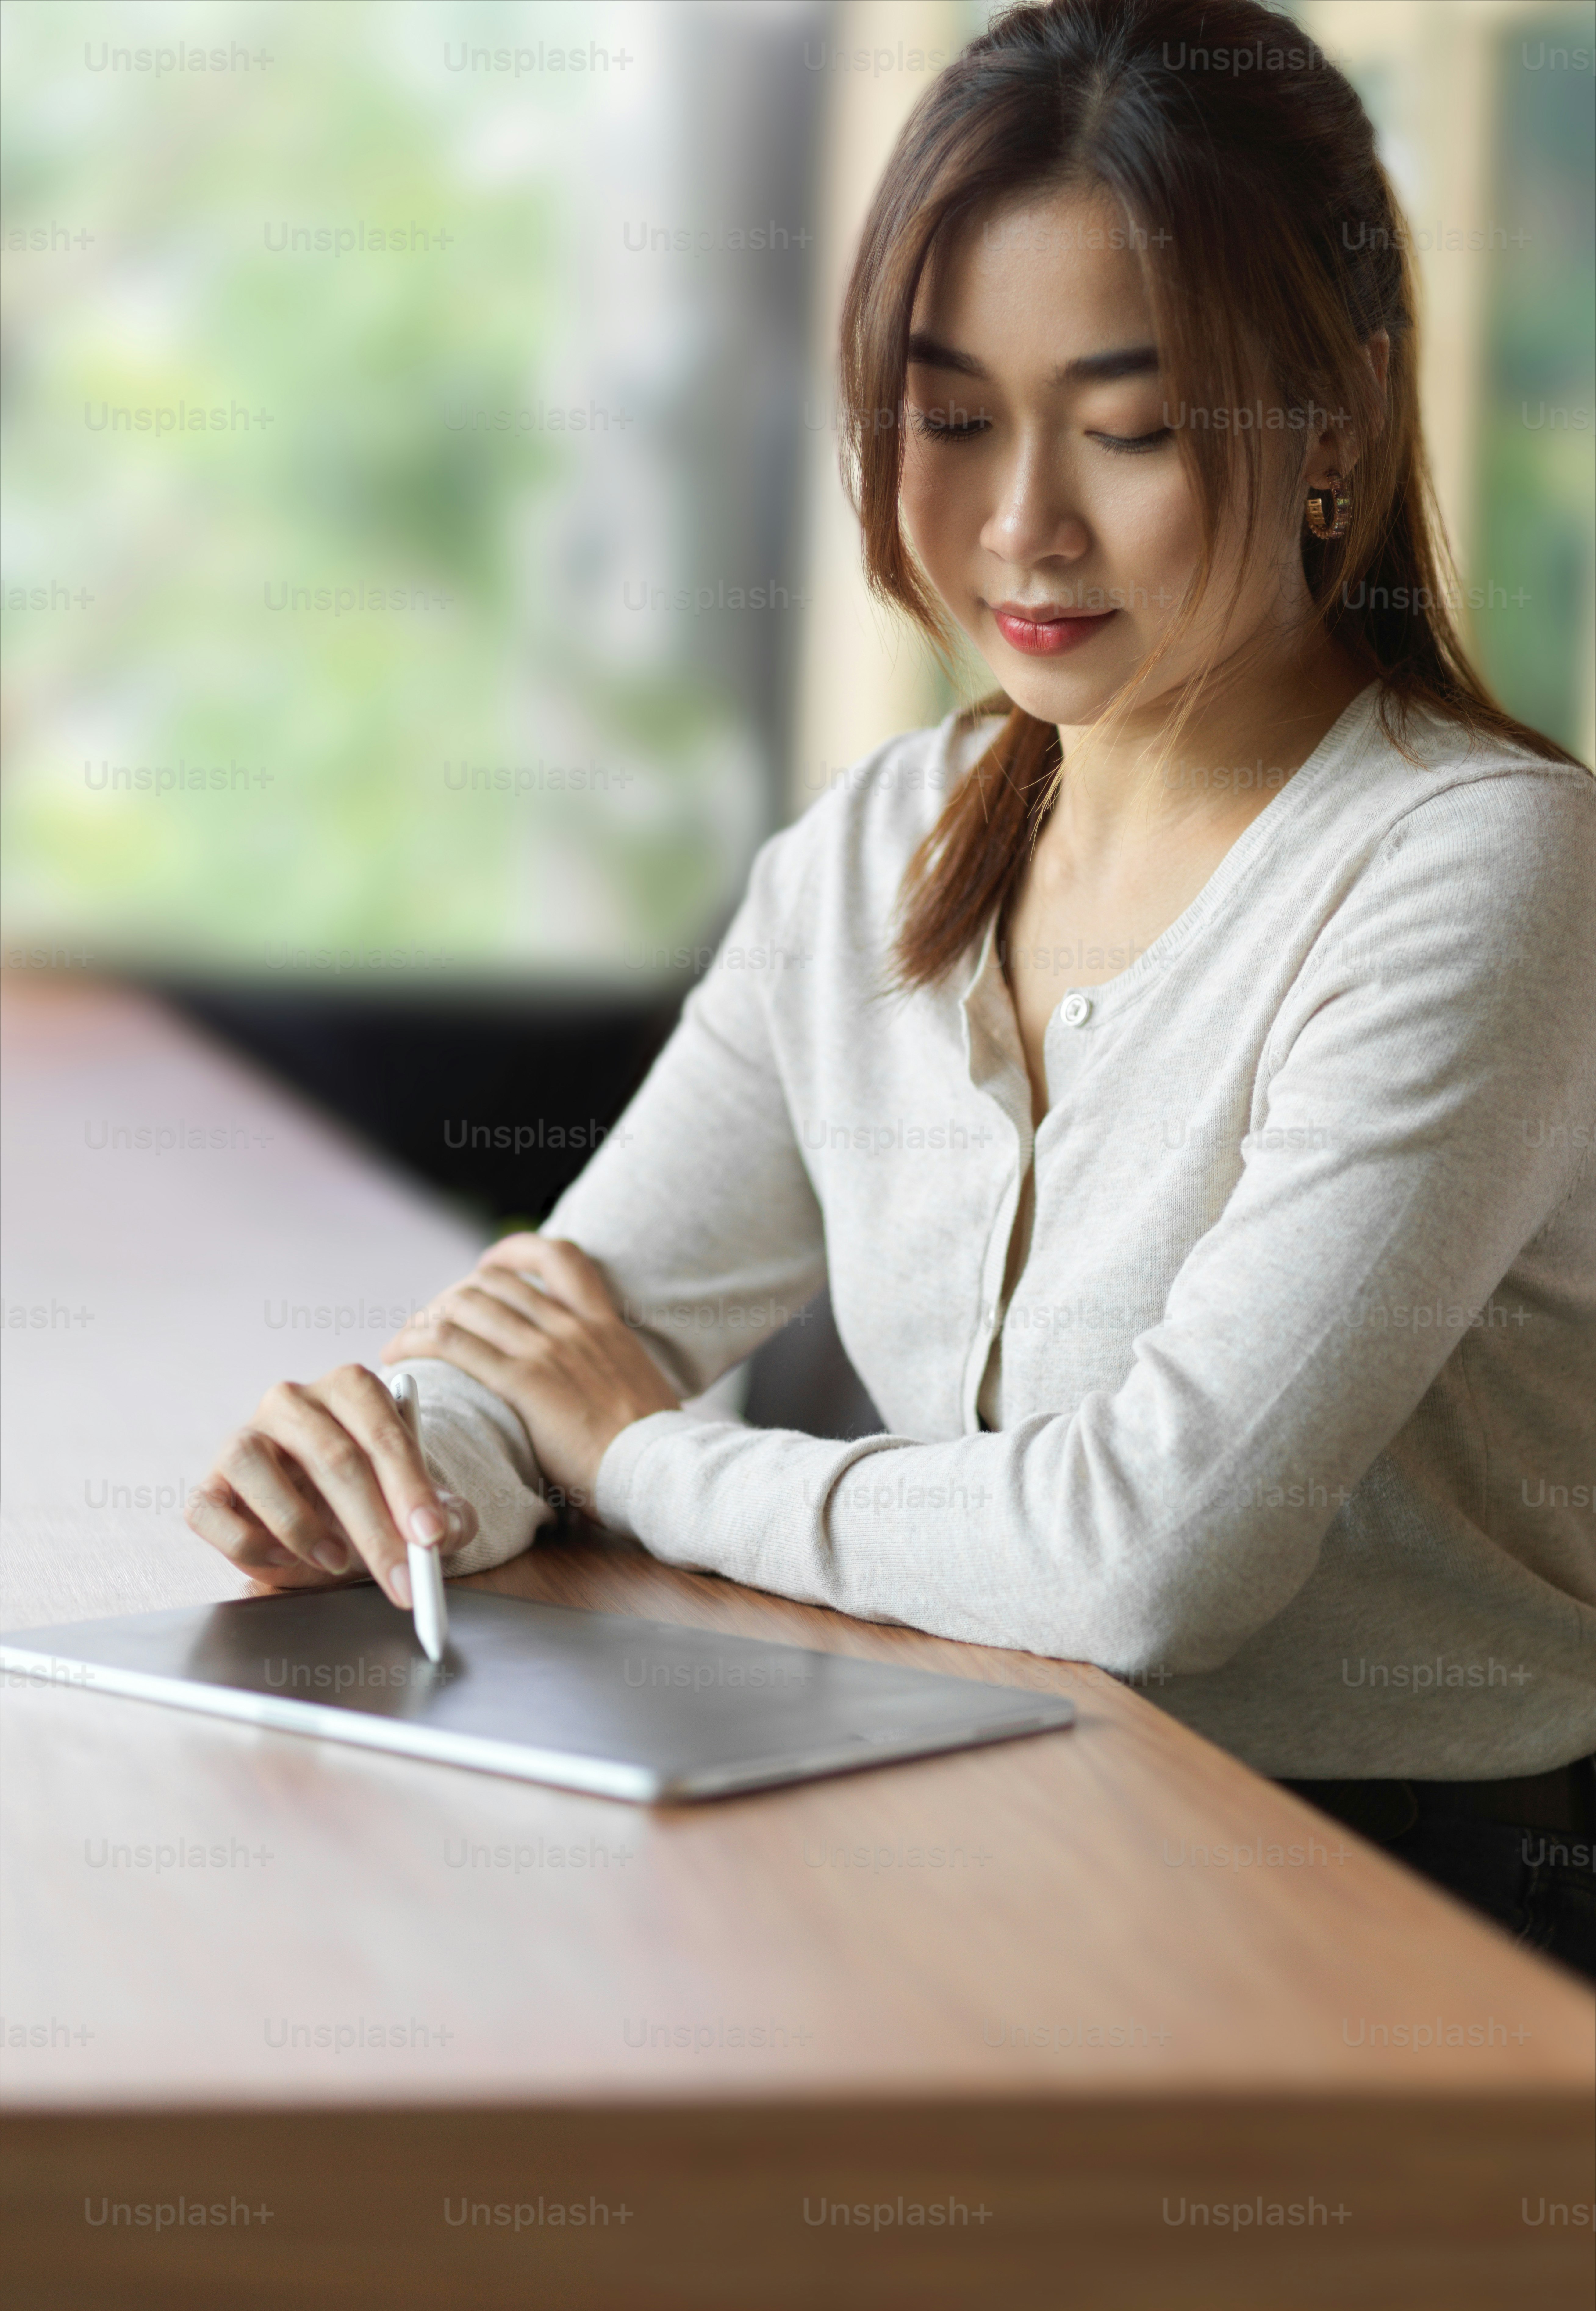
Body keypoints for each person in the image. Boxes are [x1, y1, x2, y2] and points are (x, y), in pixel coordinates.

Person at [185, 0, 1596, 1975]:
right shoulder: (883, 844)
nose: (1020, 524)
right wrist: (394, 1459)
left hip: (1404, 1923)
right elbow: (584, 1326)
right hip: (978, 1833)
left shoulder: (1481, 867)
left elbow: (1147, 1558)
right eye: (948, 417)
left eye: (1130, 426)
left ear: (1337, 422)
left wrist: (637, 1459)